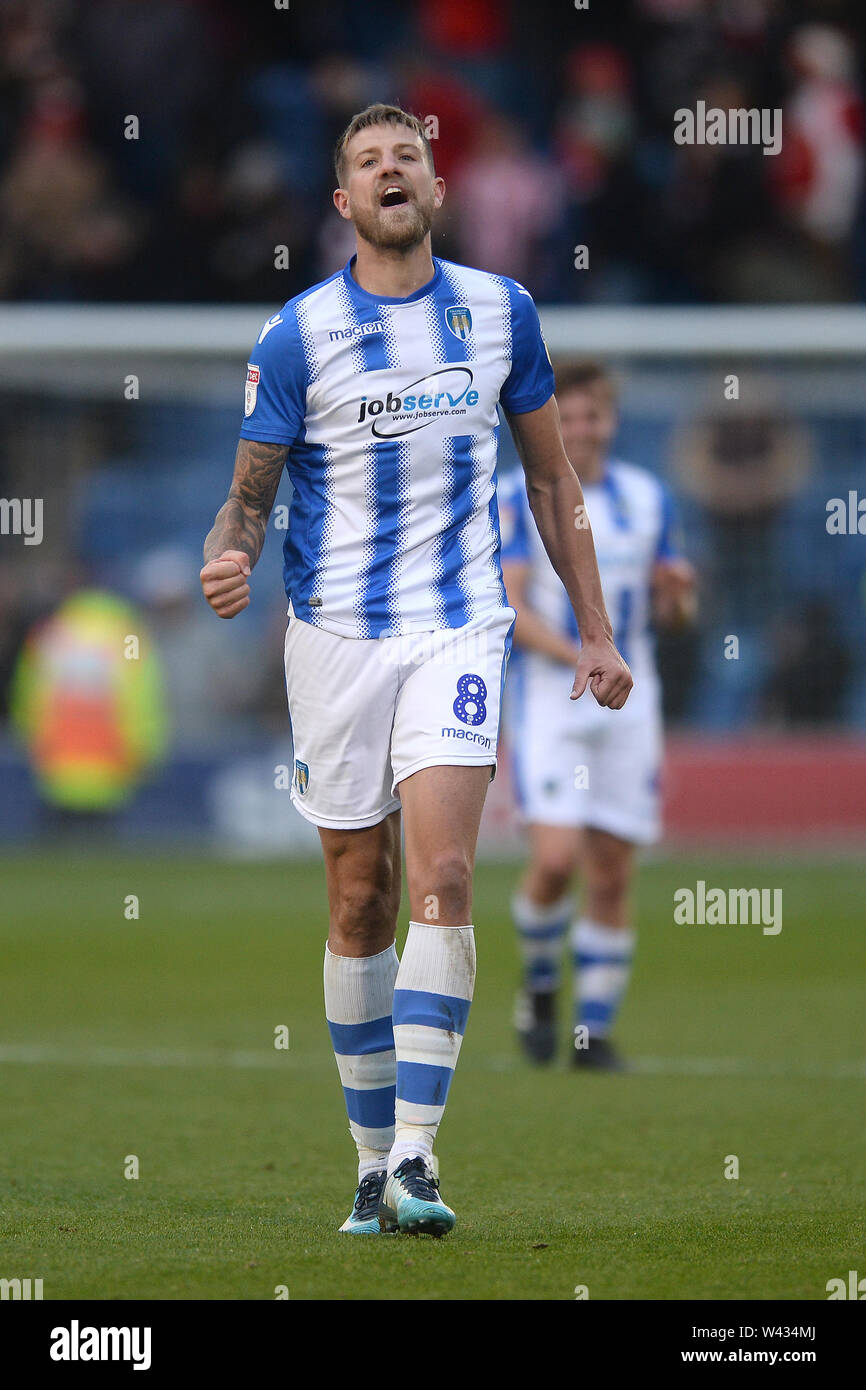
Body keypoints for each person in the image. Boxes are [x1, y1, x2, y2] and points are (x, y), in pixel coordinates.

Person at [200, 106, 631, 1238]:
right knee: (359, 899)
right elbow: (249, 491)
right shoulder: (297, 336)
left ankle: (416, 1159)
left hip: (456, 624)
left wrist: (593, 628)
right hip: (335, 637)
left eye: (408, 156)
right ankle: (362, 1162)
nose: (392, 170)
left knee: (441, 873)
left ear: (434, 188)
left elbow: (549, 483)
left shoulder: (500, 313)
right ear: (342, 204)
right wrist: (230, 551)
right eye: (366, 162)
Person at [500, 361, 695, 1070]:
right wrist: (584, 653)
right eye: (569, 417)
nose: (581, 429)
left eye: (593, 416)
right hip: (553, 701)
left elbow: (674, 612)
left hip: (631, 704)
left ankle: (594, 1034)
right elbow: (511, 608)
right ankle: (541, 984)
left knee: (612, 869)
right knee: (554, 860)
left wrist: (678, 595)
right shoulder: (516, 495)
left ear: (611, 420)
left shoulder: (648, 498)